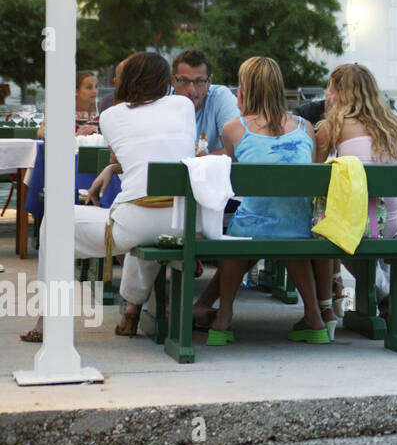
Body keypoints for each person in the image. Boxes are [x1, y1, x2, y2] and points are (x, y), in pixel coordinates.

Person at [20, 53, 194, 342]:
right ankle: (131, 309)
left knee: (55, 223)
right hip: (184, 220)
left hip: (140, 219)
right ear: (166, 81)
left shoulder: (112, 115)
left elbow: (125, 157)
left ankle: (47, 319)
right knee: (148, 227)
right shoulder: (184, 106)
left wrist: (112, 166)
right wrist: (113, 169)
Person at [207, 57, 325, 345]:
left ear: (244, 90)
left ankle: (222, 318)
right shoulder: (305, 128)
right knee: (287, 224)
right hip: (299, 229)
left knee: (240, 232)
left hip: (253, 229)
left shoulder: (233, 129)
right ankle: (315, 318)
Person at [313, 63, 397, 334]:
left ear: (338, 92)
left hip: (361, 228)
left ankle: (379, 296)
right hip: (391, 227)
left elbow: (312, 176)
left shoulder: (334, 126)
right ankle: (385, 298)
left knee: (328, 228)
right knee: (362, 222)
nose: (326, 94)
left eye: (329, 88)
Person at [171, 49, 240, 155]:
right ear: (172, 81)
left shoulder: (220, 96)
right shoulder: (162, 102)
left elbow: (237, 149)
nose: (191, 90)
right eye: (184, 81)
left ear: (209, 81)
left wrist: (203, 157)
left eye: (199, 81)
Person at [35, 70, 101, 139]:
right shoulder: (62, 109)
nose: (95, 91)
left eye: (96, 87)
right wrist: (76, 136)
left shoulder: (101, 108)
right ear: (76, 91)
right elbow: (41, 134)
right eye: (89, 88)